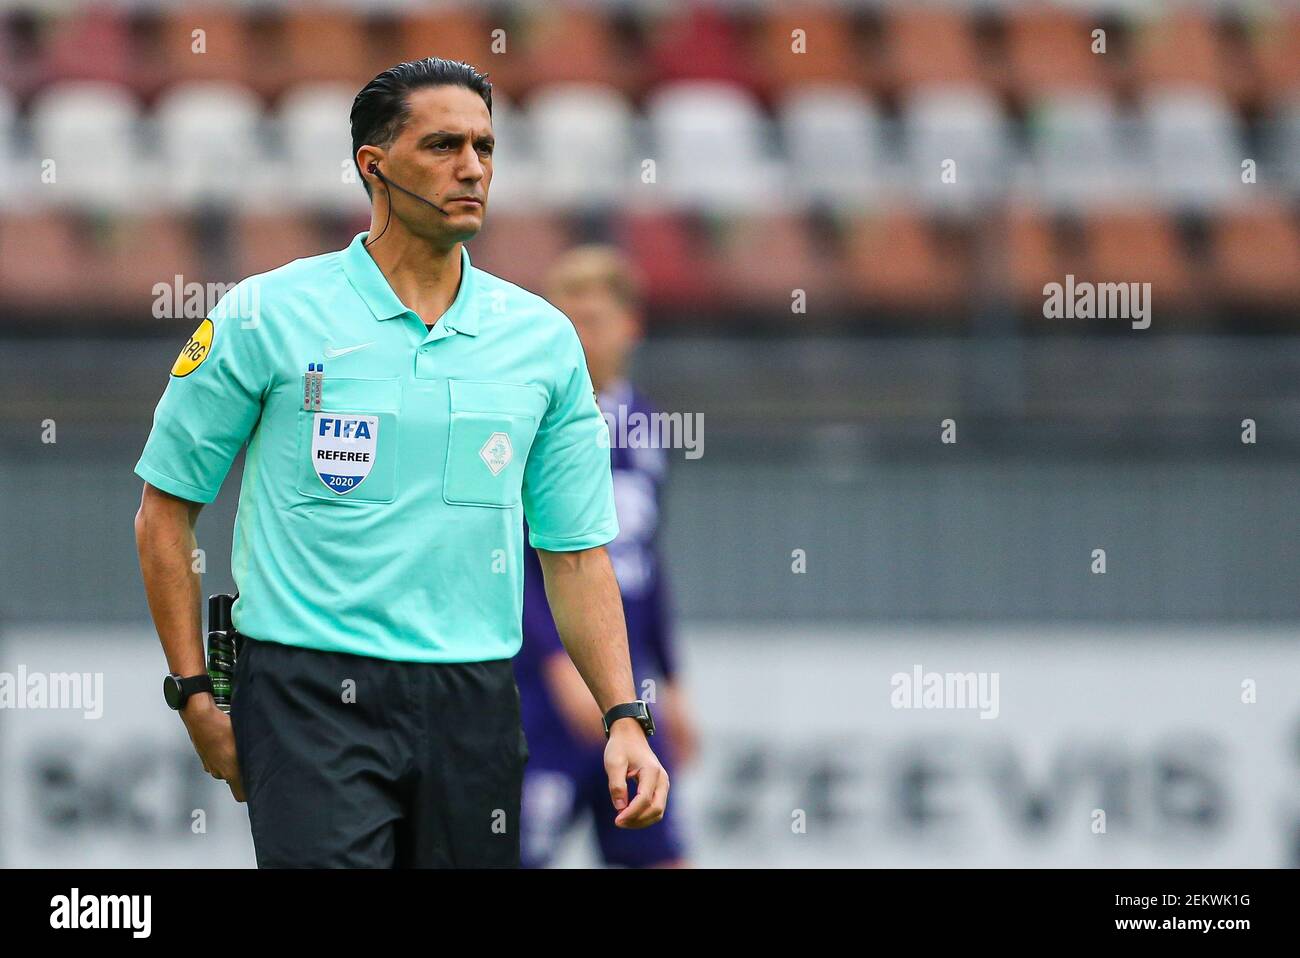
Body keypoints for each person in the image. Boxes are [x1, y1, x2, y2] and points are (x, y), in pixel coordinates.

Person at [133, 58, 668, 868]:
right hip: (306, 696)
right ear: (373, 167)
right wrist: (194, 693)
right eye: (445, 145)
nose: (473, 168)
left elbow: (576, 553)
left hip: (475, 700)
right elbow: (164, 512)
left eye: (486, 147)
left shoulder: (543, 340)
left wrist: (624, 715)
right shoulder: (265, 314)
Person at [515, 246, 697, 867]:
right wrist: (554, 660)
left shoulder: (644, 421)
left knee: (659, 852)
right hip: (544, 692)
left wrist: (672, 682)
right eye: (567, 322)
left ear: (629, 325)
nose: (579, 338)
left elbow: (646, 564)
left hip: (626, 685)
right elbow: (509, 557)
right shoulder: (531, 420)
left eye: (591, 320)